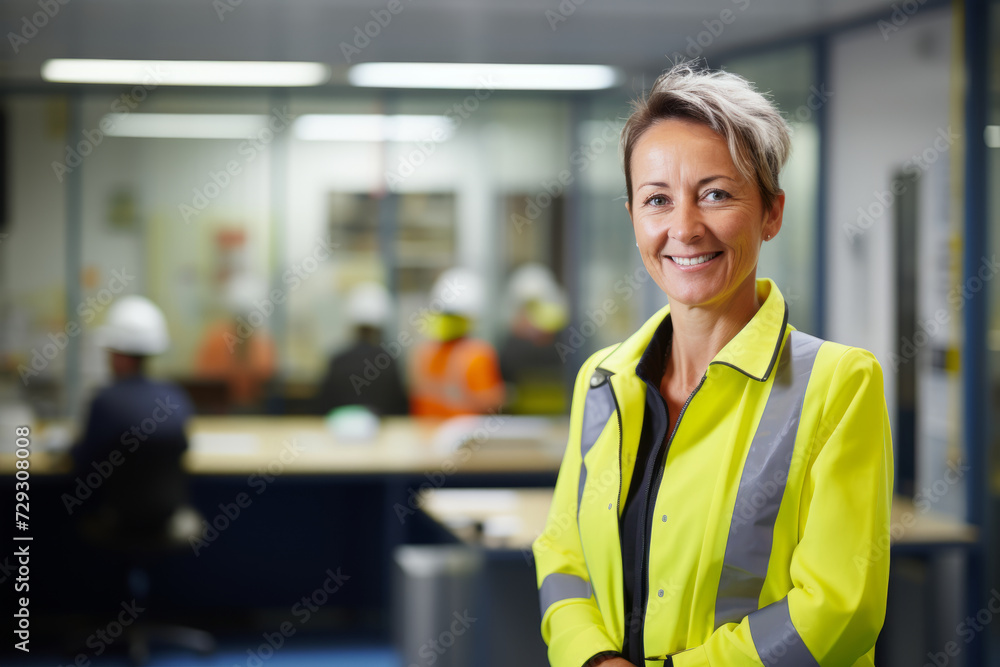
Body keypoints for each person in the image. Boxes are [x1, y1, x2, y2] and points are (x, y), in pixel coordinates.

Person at [532, 62, 893, 667]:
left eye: (716, 194)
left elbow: (839, 606)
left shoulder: (837, 384)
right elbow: (562, 557)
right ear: (633, 219)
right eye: (657, 200)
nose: (684, 228)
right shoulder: (601, 380)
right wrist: (593, 658)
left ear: (771, 213)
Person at [70, 295, 195, 538]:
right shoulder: (175, 397)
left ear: (119, 356)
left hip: (115, 521)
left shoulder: (105, 401)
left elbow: (82, 462)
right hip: (167, 520)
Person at [409, 267, 505, 417]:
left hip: (426, 434)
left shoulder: (422, 353)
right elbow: (490, 404)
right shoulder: (478, 355)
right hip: (465, 437)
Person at [313, 281, 408, 416]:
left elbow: (321, 407)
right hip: (382, 436)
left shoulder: (338, 360)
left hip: (337, 435)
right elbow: (400, 409)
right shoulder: (388, 361)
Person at [499, 263, 570, 414]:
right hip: (521, 421)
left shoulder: (567, 342)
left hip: (561, 419)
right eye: (526, 309)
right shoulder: (511, 348)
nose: (530, 318)